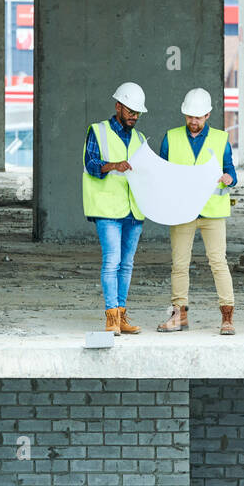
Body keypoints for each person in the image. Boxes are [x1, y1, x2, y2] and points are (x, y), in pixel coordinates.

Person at [156, 87, 237, 335]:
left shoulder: (221, 139)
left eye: (198, 117)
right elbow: (161, 172)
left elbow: (231, 171)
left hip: (212, 212)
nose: (193, 121)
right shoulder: (171, 138)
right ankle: (179, 316)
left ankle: (227, 318)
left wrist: (229, 179)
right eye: (190, 116)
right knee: (179, 264)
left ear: (208, 115)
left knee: (218, 263)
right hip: (182, 211)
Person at [83, 82, 148, 335]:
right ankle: (111, 317)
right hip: (108, 208)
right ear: (118, 106)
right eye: (130, 110)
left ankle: (121, 315)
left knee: (127, 263)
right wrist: (114, 166)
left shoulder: (140, 139)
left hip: (134, 210)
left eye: (137, 112)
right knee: (112, 261)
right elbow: (91, 164)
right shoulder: (97, 131)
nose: (134, 116)